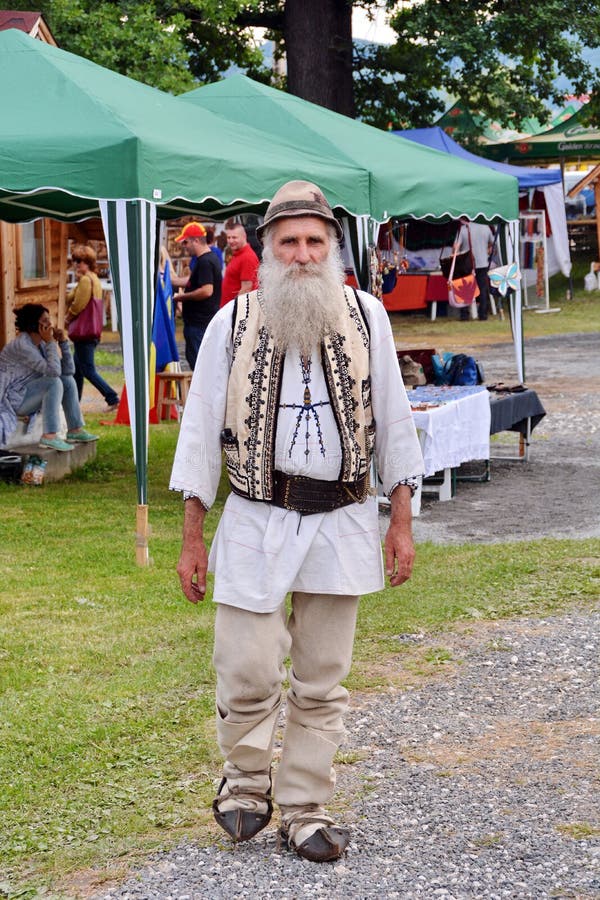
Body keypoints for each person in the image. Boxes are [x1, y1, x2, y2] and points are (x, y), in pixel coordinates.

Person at [170, 181, 424, 863]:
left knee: (321, 676)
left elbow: (394, 422)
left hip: (341, 517)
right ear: (268, 250)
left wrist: (399, 520)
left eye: (316, 241)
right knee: (246, 664)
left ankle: (307, 805)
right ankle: (246, 787)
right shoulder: (233, 321)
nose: (305, 254)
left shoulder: (368, 315)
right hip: (256, 514)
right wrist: (193, 536)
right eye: (291, 242)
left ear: (332, 248)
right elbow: (198, 432)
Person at [0, 303, 97, 451]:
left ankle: (74, 430)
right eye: (45, 320)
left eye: (49, 319)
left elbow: (68, 371)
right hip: (14, 400)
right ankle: (49, 436)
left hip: (27, 394)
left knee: (67, 381)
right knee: (53, 382)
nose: (50, 324)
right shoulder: (23, 346)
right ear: (34, 323)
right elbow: (53, 373)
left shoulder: (41, 344)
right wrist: (51, 342)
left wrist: (63, 343)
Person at [65, 244, 120, 411]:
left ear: (87, 262)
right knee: (77, 370)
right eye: (75, 261)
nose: (76, 264)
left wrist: (68, 318)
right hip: (92, 331)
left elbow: (78, 304)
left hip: (84, 333)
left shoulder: (85, 280)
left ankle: (112, 397)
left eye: (79, 261)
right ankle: (75, 402)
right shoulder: (94, 279)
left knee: (88, 370)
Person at [173, 222, 222, 371]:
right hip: (200, 322)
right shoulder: (208, 259)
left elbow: (207, 290)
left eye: (186, 241)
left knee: (200, 367)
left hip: (199, 323)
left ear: (196, 240)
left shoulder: (205, 262)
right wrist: (171, 280)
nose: (184, 245)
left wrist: (183, 297)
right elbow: (193, 282)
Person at [220, 221, 259, 306]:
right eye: (228, 237)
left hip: (236, 312)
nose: (230, 241)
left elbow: (246, 289)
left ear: (244, 237)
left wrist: (232, 311)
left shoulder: (247, 257)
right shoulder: (238, 254)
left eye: (234, 237)